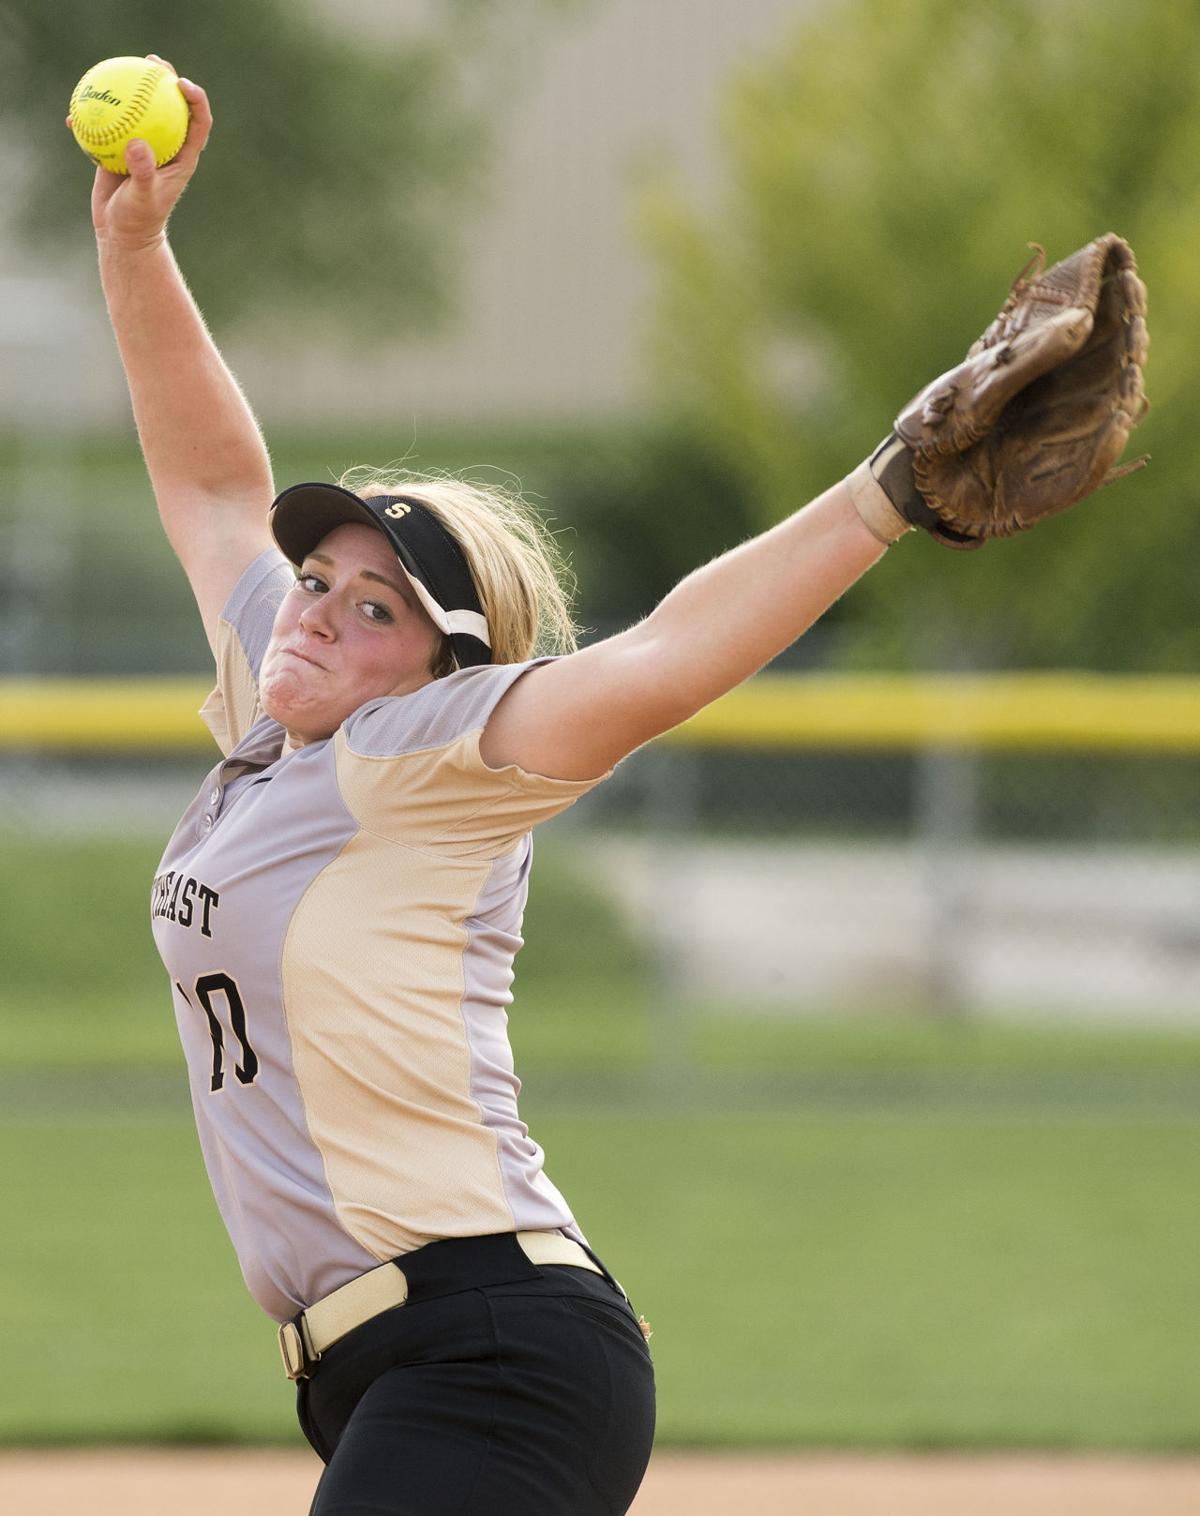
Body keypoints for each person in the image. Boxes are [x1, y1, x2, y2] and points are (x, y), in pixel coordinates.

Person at [79, 54, 1143, 1516]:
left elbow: (658, 661)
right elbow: (212, 486)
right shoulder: (289, 713)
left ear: (445, 668)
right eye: (318, 577)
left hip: (494, 1360)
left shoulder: (417, 758)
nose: (315, 611)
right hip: (404, 1366)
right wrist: (135, 250)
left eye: (376, 606)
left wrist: (887, 492)